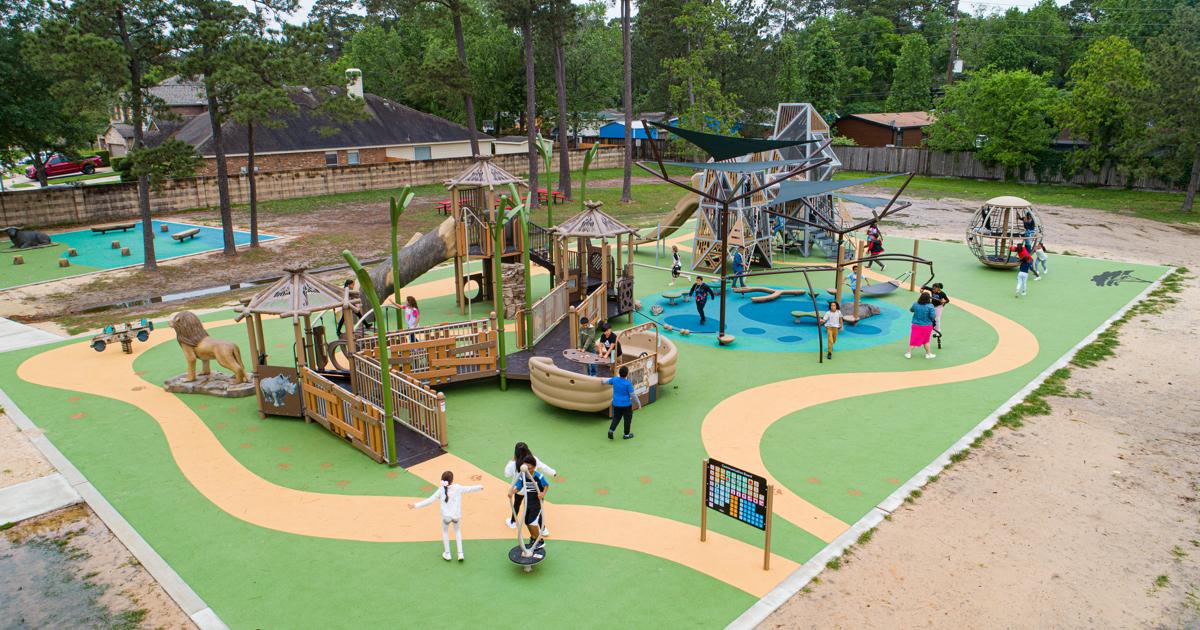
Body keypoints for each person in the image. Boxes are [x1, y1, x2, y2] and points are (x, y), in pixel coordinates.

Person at [410, 470, 483, 562]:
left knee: (445, 532)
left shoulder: (440, 490)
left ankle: (447, 554)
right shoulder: (457, 487)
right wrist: (480, 487)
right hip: (456, 516)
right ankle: (460, 553)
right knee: (457, 532)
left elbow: (430, 500)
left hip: (446, 517)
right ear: (452, 480)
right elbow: (469, 489)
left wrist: (415, 505)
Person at [504, 442, 556, 534]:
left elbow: (507, 474)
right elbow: (543, 467)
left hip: (519, 489)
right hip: (532, 489)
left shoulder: (514, 463)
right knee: (535, 509)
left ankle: (513, 522)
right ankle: (543, 529)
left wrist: (512, 460)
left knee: (517, 504)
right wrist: (553, 473)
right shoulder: (533, 459)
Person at [507, 455, 550, 549]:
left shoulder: (539, 476)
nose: (528, 470)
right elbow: (518, 486)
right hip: (528, 501)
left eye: (530, 468)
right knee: (526, 521)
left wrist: (543, 493)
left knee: (532, 522)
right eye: (526, 467)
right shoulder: (523, 476)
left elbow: (546, 485)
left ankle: (540, 541)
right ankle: (534, 538)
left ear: (534, 467)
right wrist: (512, 492)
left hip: (537, 503)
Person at [604, 365, 640, 440]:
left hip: (616, 404)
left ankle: (611, 430)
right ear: (627, 374)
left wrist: (601, 381)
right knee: (627, 419)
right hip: (626, 405)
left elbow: (606, 381)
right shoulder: (628, 383)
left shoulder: (615, 379)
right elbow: (633, 395)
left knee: (616, 418)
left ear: (619, 373)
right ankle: (626, 435)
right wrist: (638, 404)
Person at [906, 292, 937, 359]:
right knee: (926, 340)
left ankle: (909, 353)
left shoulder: (915, 304)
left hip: (916, 325)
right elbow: (933, 316)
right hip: (927, 326)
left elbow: (911, 310)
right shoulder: (930, 306)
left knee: (914, 339)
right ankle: (928, 354)